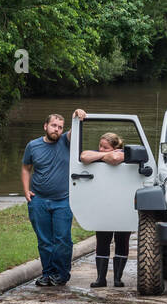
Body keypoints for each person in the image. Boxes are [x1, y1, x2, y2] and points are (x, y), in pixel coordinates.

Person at [22, 108, 86, 287]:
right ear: (45, 126)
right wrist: (26, 190)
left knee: (63, 240)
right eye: (53, 126)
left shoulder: (66, 141)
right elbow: (26, 167)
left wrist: (78, 115)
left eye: (60, 126)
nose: (56, 129)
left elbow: (75, 132)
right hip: (39, 200)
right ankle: (47, 274)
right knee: (44, 241)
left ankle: (61, 274)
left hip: (62, 201)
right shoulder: (32, 146)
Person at [80, 132, 129, 288]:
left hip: (123, 204)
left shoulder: (123, 154)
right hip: (104, 203)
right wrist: (103, 155)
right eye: (100, 146)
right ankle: (101, 278)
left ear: (116, 147)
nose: (101, 149)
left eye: (105, 147)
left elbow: (115, 159)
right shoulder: (102, 155)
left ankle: (117, 279)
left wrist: (103, 156)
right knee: (102, 240)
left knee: (122, 240)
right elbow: (83, 156)